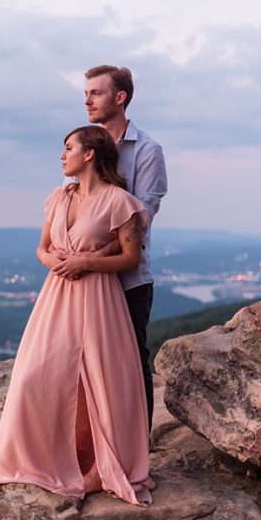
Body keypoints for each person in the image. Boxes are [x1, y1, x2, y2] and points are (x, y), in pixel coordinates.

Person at [0, 125, 153, 506]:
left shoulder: (120, 202)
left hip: (98, 296)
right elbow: (41, 249)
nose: (62, 156)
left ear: (90, 154)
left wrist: (87, 261)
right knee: (37, 373)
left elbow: (131, 258)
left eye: (68, 148)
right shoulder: (58, 197)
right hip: (57, 293)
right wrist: (54, 260)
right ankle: (43, 457)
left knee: (94, 379)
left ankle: (92, 466)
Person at [73, 64, 167, 433]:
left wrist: (93, 255)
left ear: (120, 97)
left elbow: (143, 214)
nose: (88, 100)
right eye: (86, 94)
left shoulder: (147, 150)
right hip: (85, 277)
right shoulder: (84, 144)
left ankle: (138, 446)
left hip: (128, 276)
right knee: (84, 360)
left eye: (95, 93)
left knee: (130, 361)